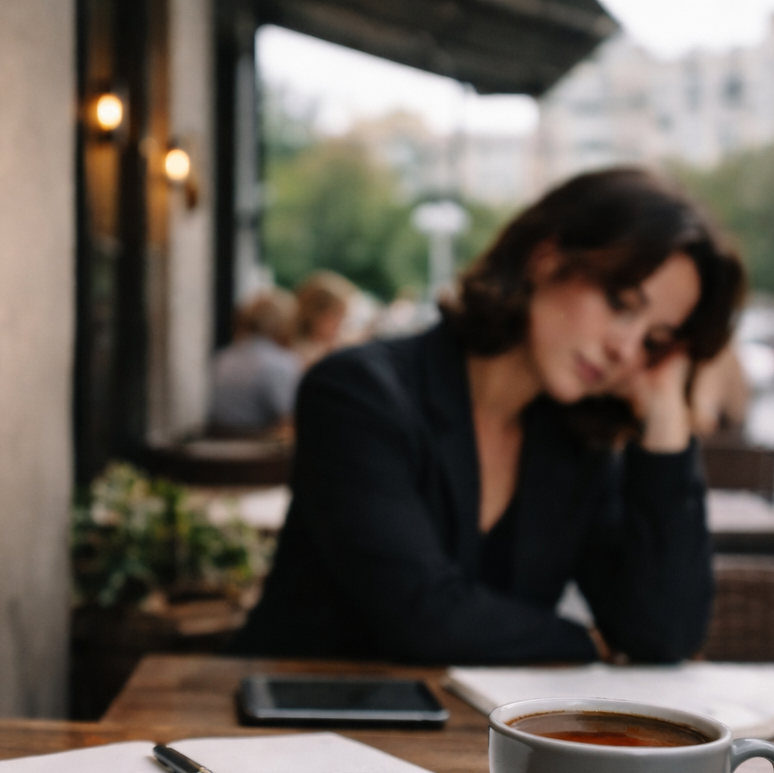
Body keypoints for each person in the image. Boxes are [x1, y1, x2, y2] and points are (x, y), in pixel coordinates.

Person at [232, 168, 746, 665]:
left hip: (464, 746)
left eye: (654, 340)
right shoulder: (359, 392)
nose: (625, 349)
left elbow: (663, 634)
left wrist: (664, 412)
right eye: (620, 303)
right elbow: (422, 616)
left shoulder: (575, 443)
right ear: (546, 258)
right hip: (287, 727)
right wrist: (591, 643)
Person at [208, 289, 300, 436]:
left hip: (216, 442)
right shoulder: (280, 362)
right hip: (258, 449)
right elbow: (288, 417)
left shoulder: (222, 356)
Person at [290, 270, 355, 369]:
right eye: (336, 315)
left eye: (343, 316)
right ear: (314, 313)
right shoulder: (297, 354)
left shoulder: (334, 346)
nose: (339, 323)